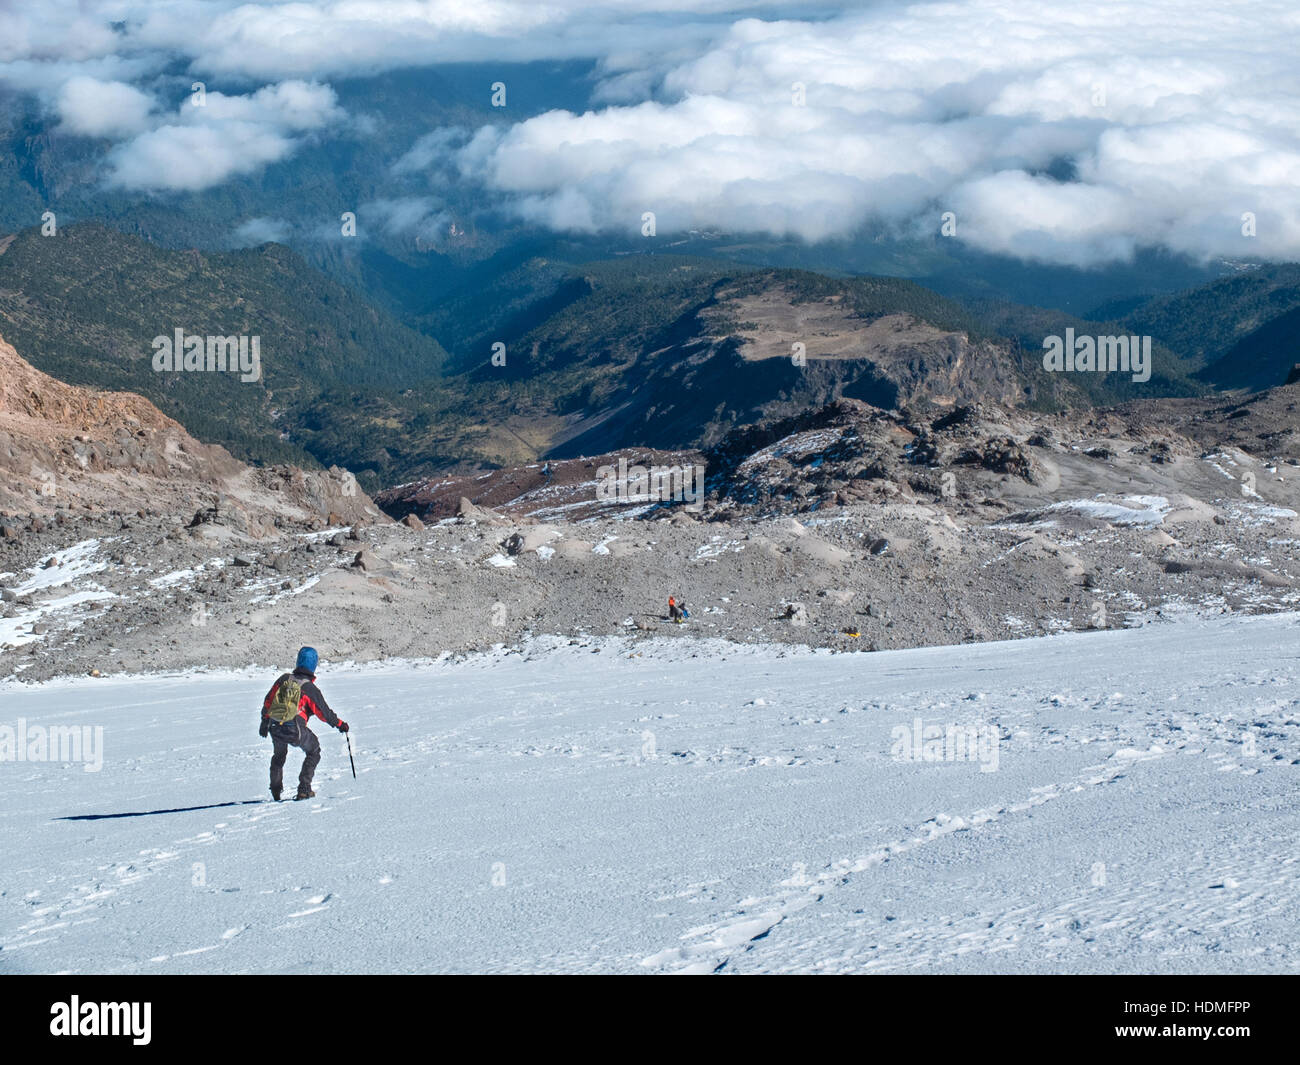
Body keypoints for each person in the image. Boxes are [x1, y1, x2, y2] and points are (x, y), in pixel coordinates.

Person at [259, 646, 349, 801]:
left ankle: (275, 789)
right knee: (314, 750)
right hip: (294, 729)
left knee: (279, 756)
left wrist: (264, 722)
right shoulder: (309, 688)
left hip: (274, 726)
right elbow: (324, 713)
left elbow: (268, 701)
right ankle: (304, 789)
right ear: (313, 665)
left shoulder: (283, 679)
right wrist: (340, 724)